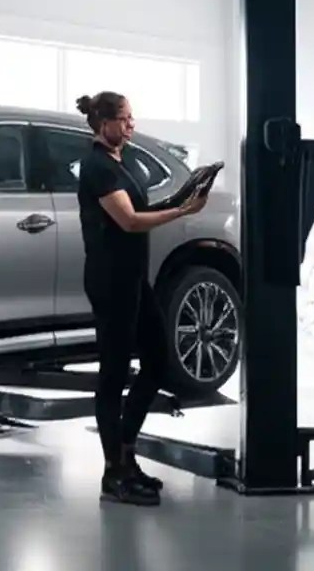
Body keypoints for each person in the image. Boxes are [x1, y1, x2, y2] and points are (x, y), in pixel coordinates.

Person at [75, 91, 208, 507]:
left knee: (157, 363)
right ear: (104, 123)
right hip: (111, 282)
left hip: (134, 279)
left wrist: (183, 195)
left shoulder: (121, 161)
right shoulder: (97, 166)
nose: (132, 125)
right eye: (125, 119)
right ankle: (113, 472)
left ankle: (126, 454)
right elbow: (129, 221)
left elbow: (140, 208)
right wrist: (183, 212)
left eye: (133, 118)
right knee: (113, 374)